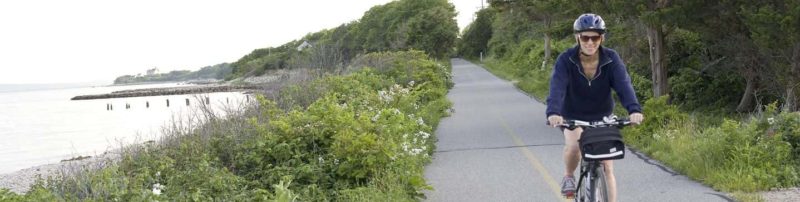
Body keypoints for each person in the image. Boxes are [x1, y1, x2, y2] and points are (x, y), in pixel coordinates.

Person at [546, 13, 644, 202]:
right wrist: (554, 112)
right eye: (585, 37)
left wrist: (634, 110)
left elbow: (624, 85)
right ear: (577, 38)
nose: (590, 42)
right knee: (574, 147)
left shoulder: (611, 58)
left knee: (607, 166)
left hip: (602, 115)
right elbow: (557, 87)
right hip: (572, 115)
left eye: (595, 37)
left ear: (602, 38)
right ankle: (568, 176)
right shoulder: (566, 60)